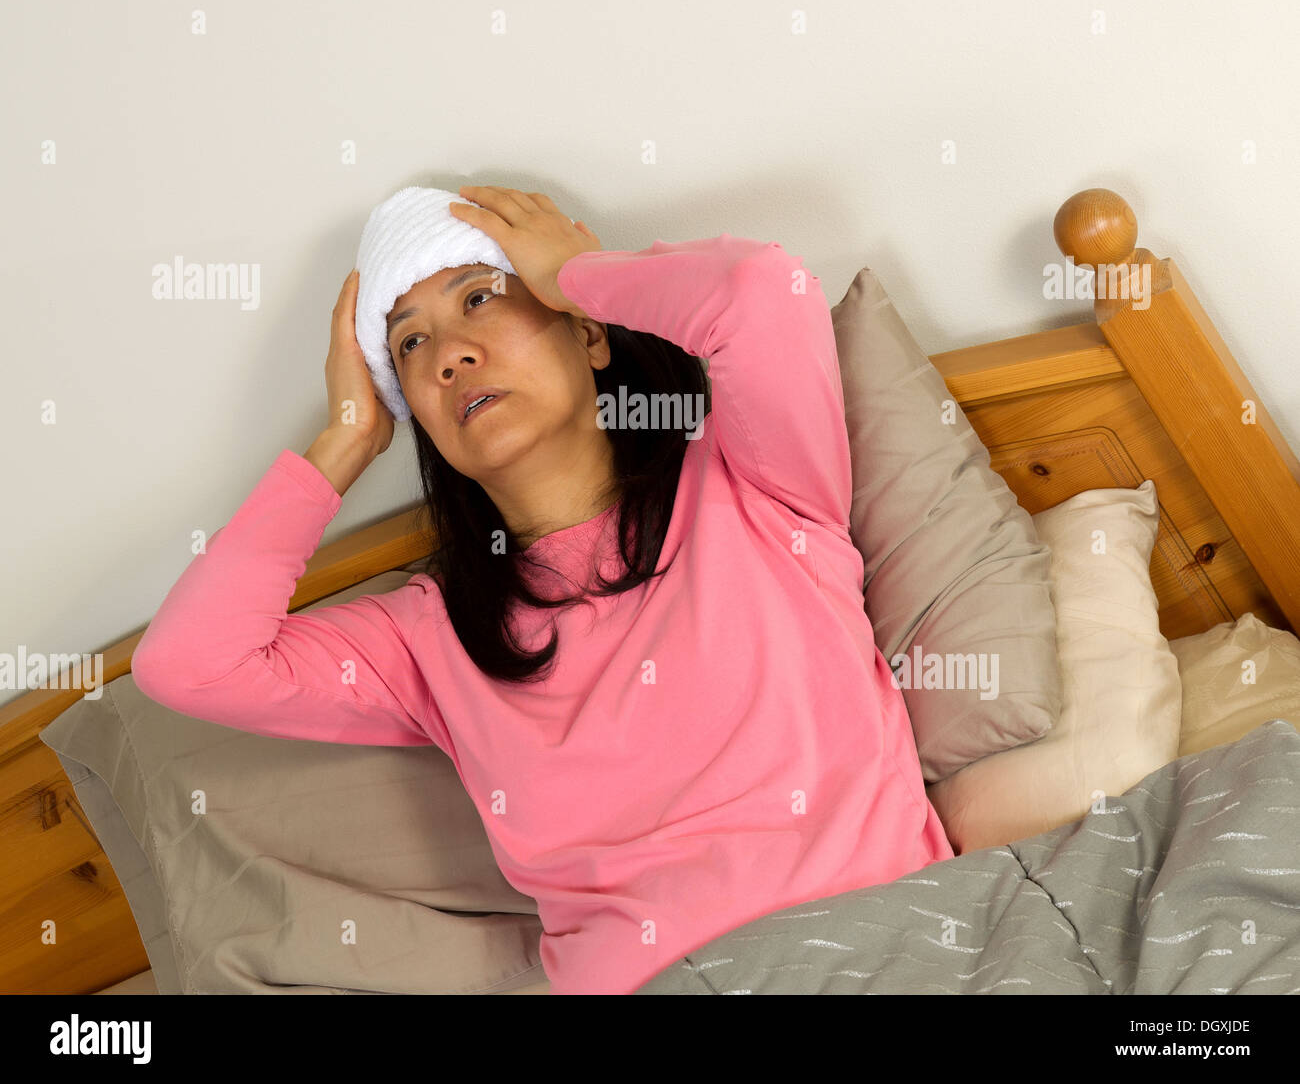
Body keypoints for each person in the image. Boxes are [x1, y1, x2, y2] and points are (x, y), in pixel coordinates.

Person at [131, 183, 955, 995]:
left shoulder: (755, 481)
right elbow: (187, 663)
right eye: (409, 345)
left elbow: (760, 292)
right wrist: (345, 440)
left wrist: (578, 272)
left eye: (481, 298)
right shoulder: (432, 636)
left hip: (888, 956)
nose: (450, 353)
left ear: (589, 335)